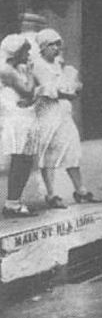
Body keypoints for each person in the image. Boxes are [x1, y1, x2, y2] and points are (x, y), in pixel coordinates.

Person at [29, 29, 101, 208]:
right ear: (43, 47)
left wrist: (70, 89)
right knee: (49, 153)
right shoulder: (38, 66)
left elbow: (71, 88)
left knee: (72, 149)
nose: (56, 48)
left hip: (64, 114)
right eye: (51, 45)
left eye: (57, 44)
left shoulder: (59, 65)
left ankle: (81, 190)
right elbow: (53, 90)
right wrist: (68, 90)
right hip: (47, 114)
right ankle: (51, 194)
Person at [1, 35, 38, 217]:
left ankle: (14, 201)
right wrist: (30, 75)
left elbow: (32, 92)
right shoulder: (7, 70)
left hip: (23, 116)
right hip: (16, 118)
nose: (29, 54)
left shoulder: (17, 68)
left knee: (25, 159)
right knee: (20, 159)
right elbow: (28, 91)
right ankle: (12, 203)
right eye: (26, 50)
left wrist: (30, 93)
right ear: (16, 52)